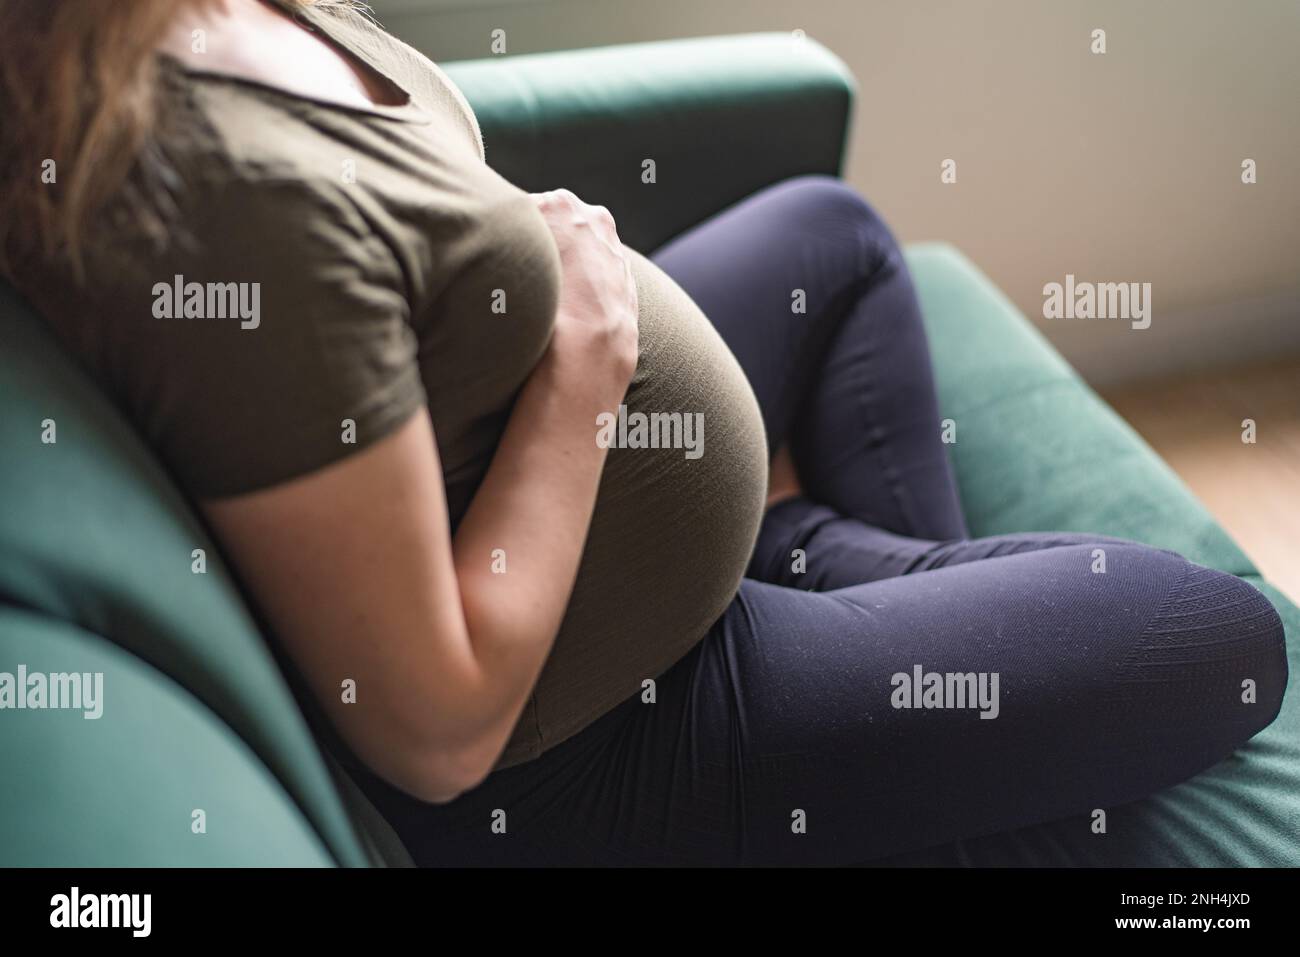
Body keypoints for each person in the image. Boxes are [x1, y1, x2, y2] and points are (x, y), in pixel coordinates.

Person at [0, 0, 1286, 865]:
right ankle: (872, 691)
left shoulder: (205, 24)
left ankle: (830, 605)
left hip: (577, 495)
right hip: (596, 721)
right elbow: (437, 731)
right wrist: (587, 370)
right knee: (1223, 642)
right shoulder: (205, 198)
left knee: (831, 237)